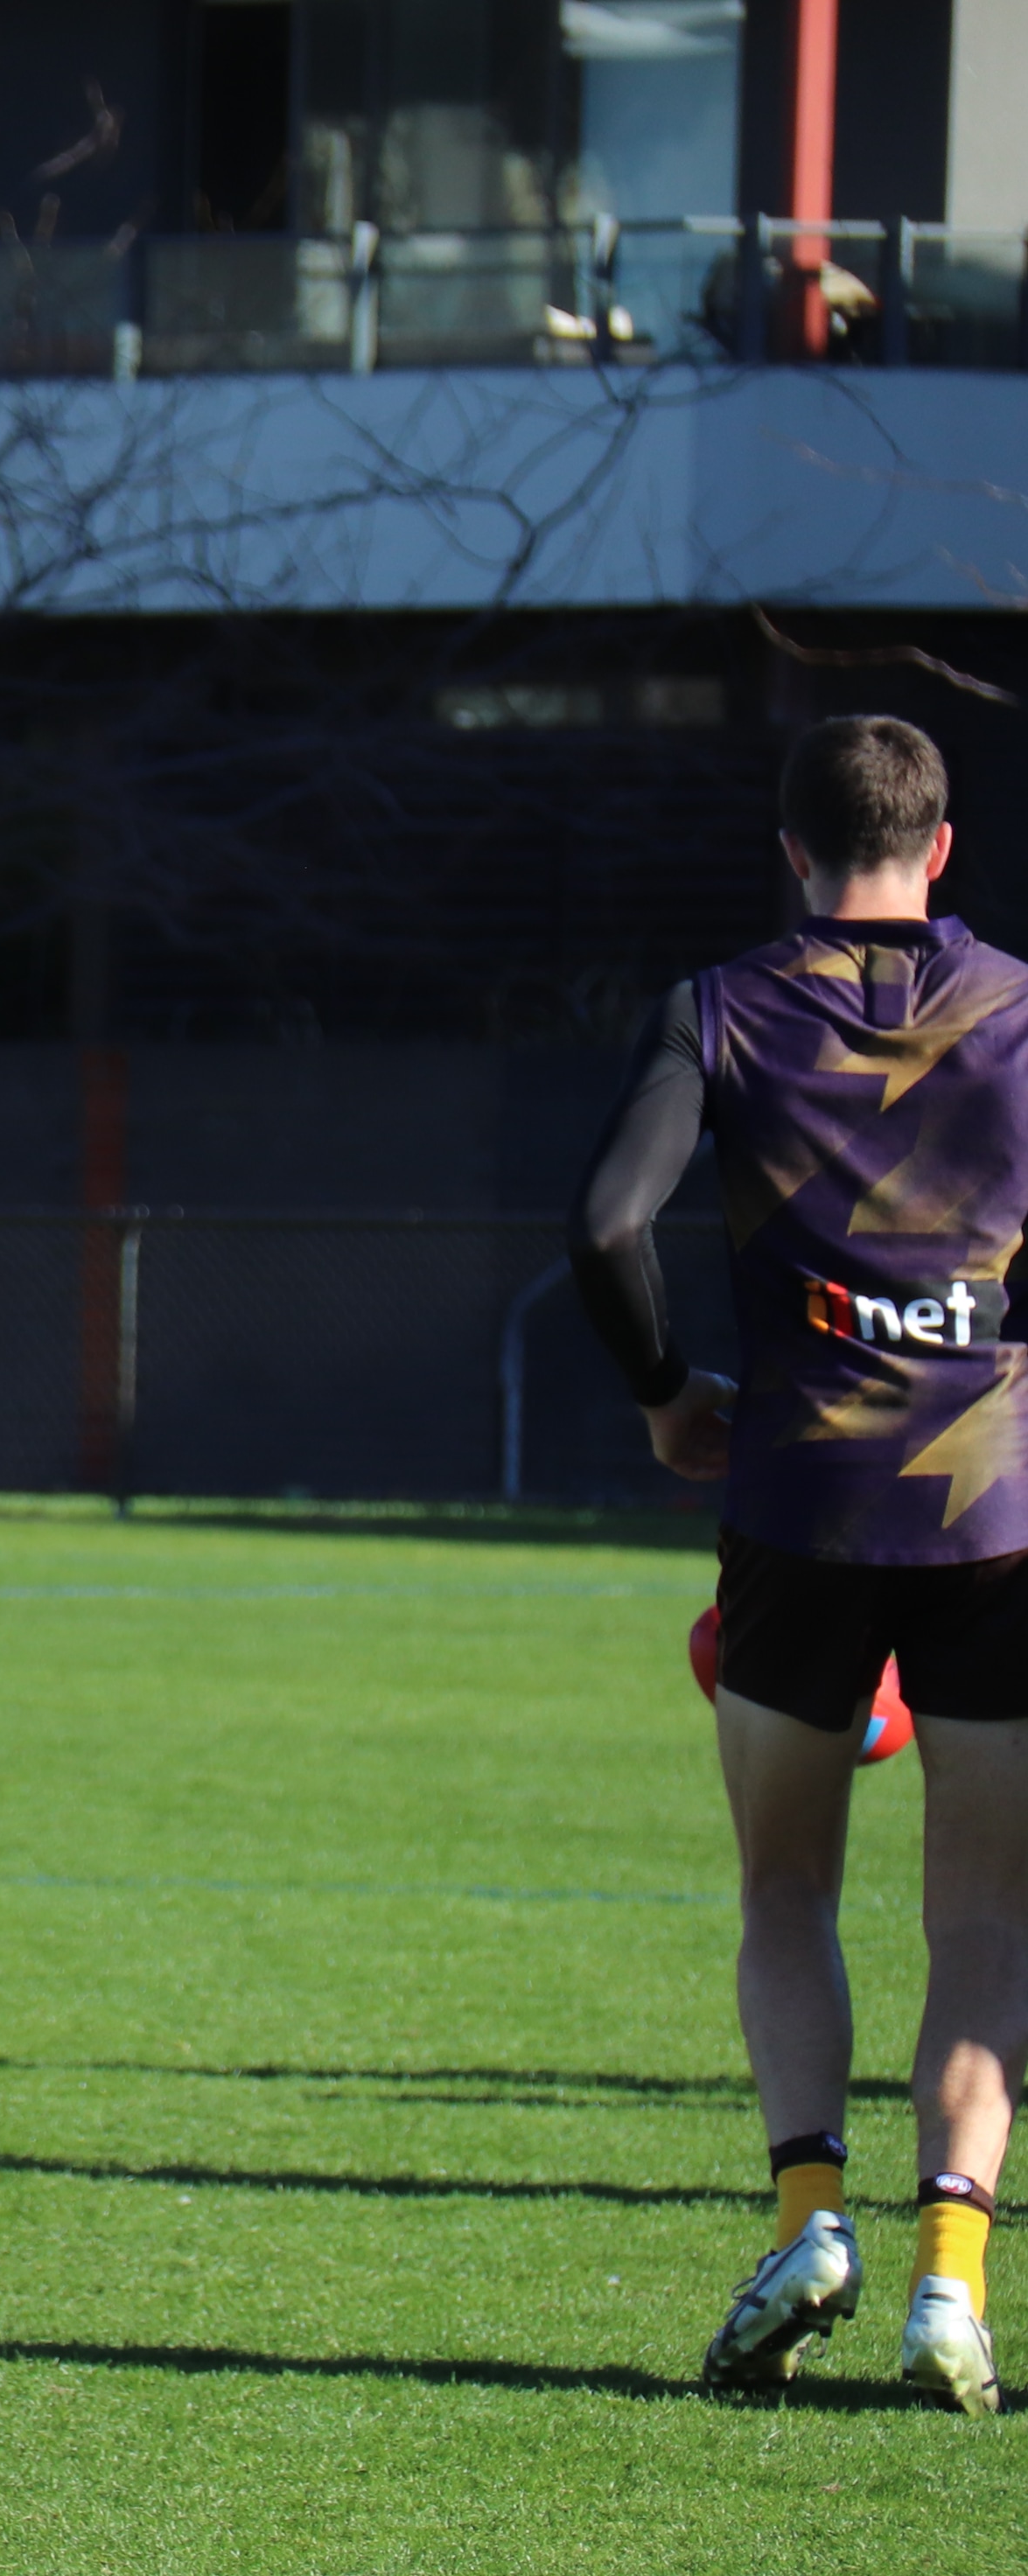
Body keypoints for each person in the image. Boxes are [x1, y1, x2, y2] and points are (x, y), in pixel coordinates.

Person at [571, 712, 1028, 2416]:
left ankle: (808, 2214)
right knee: (985, 1915)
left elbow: (605, 1223)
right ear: (942, 845)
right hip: (994, 1514)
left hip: (794, 1508)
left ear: (786, 849)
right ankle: (952, 2283)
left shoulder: (719, 1006)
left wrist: (662, 1396)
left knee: (784, 1891)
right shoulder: (1020, 1014)